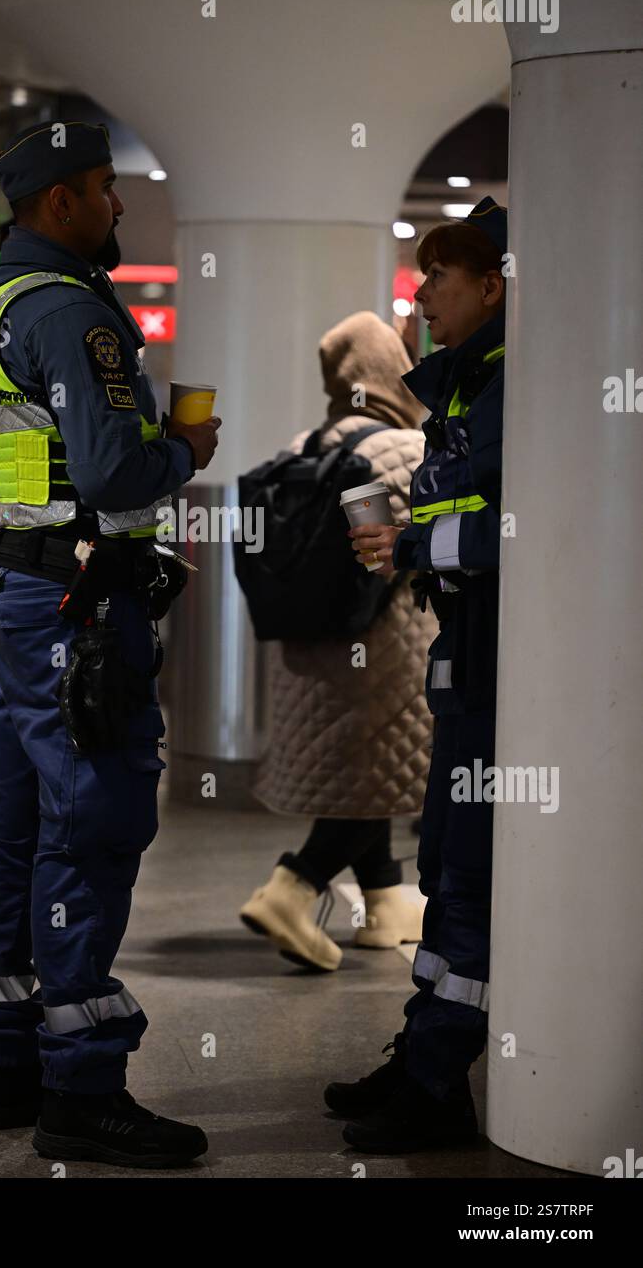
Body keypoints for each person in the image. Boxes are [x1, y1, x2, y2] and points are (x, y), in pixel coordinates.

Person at [0, 121, 220, 1168]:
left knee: (17, 818)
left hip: (14, 586)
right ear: (59, 200)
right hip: (76, 605)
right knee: (97, 815)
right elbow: (113, 475)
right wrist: (184, 448)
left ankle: (6, 1061)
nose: (119, 206)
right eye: (108, 190)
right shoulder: (73, 314)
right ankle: (82, 1083)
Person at [328, 197, 507, 1152]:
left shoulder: (514, 386)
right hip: (465, 659)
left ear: (492, 286)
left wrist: (415, 541)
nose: (421, 291)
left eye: (439, 275)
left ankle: (439, 1079)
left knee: (468, 872)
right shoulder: (468, 390)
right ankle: (423, 1055)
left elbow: (529, 523)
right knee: (443, 865)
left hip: (498, 664)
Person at [240, 312, 436, 970]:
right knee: (372, 772)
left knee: (367, 774)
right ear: (389, 372)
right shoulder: (401, 453)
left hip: (311, 655)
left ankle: (384, 903)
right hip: (384, 659)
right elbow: (383, 553)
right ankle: (291, 889)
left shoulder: (304, 446)